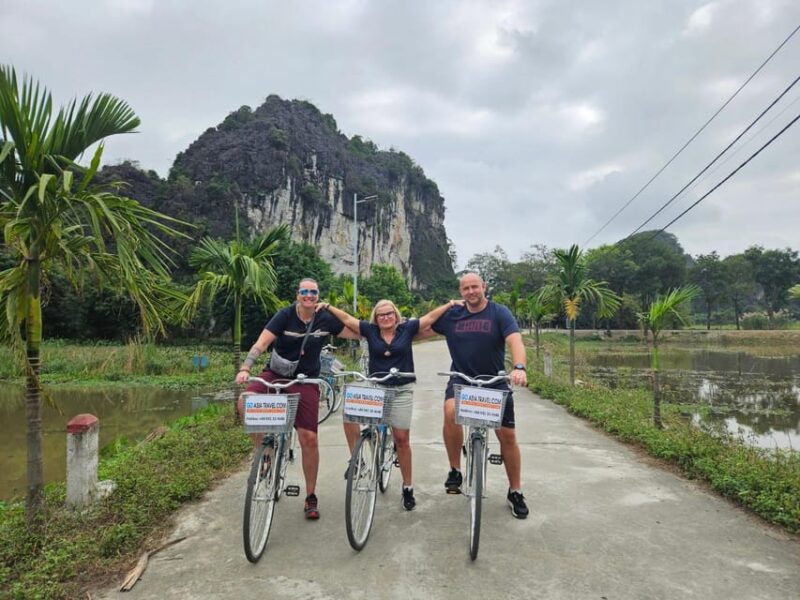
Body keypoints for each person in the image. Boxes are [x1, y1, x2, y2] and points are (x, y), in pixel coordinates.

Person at [318, 298, 461, 511]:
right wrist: (329, 307)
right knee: (350, 414)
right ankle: (356, 460)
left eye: (389, 313)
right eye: (381, 315)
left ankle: (407, 486)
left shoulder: (407, 328)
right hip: (377, 387)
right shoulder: (370, 330)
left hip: (402, 389)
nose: (386, 317)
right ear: (376, 318)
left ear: (395, 315)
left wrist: (449, 305)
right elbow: (347, 319)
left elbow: (430, 318)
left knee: (401, 439)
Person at [235, 278, 359, 520]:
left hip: (306, 380)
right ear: (297, 294)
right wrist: (246, 367)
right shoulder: (285, 315)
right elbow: (261, 343)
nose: (309, 295)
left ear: (318, 295)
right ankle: (265, 453)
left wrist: (333, 309)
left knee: (309, 438)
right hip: (276, 374)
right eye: (304, 291)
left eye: (313, 292)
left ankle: (310, 495)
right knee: (245, 401)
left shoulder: (325, 319)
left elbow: (357, 332)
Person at [425, 272, 530, 519]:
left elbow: (515, 340)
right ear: (460, 292)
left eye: (475, 287)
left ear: (484, 286)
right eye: (466, 288)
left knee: (507, 436)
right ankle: (455, 469)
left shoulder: (499, 312)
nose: (471, 292)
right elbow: (422, 327)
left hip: (494, 380)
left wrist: (519, 367)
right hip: (462, 378)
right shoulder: (453, 315)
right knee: (450, 411)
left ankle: (515, 491)